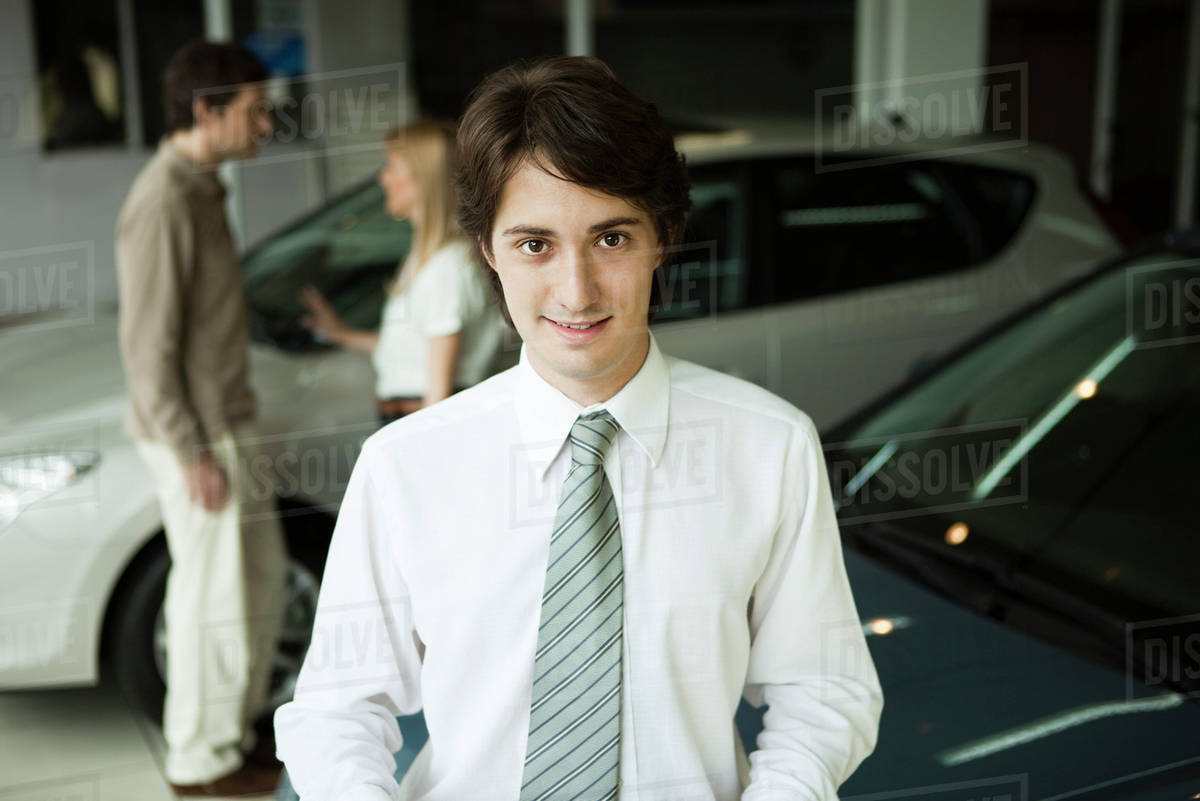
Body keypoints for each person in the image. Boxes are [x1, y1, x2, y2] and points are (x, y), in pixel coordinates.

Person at [274, 55, 883, 801]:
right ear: (488, 252)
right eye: (536, 244)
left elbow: (824, 689)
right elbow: (337, 710)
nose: (576, 290)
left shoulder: (769, 448)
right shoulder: (406, 465)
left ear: (663, 237)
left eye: (612, 239)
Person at [114, 40, 287, 796]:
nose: (267, 126)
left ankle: (235, 734)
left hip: (227, 422)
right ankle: (199, 764)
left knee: (258, 585)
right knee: (212, 600)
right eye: (253, 111)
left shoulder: (203, 184)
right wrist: (192, 450)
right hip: (197, 435)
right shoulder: (162, 200)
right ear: (204, 112)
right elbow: (147, 348)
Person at [296, 119, 505, 427]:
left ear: (424, 179)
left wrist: (425, 453)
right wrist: (342, 333)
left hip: (422, 421)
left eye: (392, 166)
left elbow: (439, 391)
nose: (383, 178)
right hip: (408, 418)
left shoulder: (448, 266)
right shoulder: (430, 258)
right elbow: (412, 350)